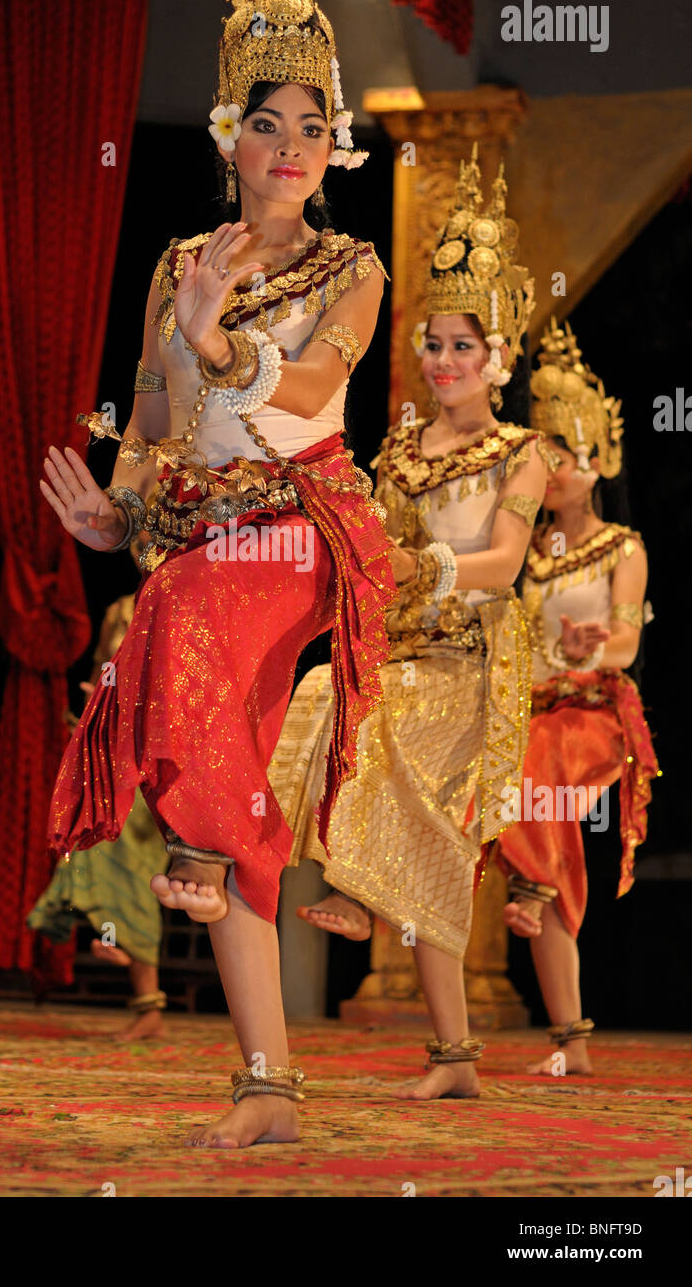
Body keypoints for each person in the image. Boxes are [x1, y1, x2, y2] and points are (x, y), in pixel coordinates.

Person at [39, 0, 396, 1148]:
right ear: (226, 138)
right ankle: (267, 1081)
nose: (290, 144)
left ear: (331, 142)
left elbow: (304, 398)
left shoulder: (354, 265)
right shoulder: (173, 266)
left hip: (306, 527)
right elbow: (144, 428)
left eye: (311, 122)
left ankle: (214, 837)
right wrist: (111, 509)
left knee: (180, 622)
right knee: (196, 695)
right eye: (266, 121)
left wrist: (231, 350)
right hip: (197, 537)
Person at [269, 147, 552, 1099]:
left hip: (471, 664)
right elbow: (374, 546)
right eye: (431, 345)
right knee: (324, 704)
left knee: (378, 732)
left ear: (499, 357)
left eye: (462, 347)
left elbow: (504, 566)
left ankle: (350, 885)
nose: (442, 363)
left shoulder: (523, 454)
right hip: (402, 649)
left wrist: (424, 565)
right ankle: (455, 1058)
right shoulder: (398, 445)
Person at [496, 319, 659, 1074]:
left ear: (599, 459)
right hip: (527, 717)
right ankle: (571, 1042)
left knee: (542, 767)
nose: (551, 467)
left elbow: (625, 646)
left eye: (564, 453)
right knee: (544, 822)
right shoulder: (518, 555)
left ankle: (529, 890)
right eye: (542, 452)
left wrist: (594, 646)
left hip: (591, 716)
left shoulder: (621, 547)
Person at [27, 559, 170, 1041]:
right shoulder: (120, 611)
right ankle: (114, 939)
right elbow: (100, 673)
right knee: (98, 840)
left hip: (161, 750)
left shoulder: (191, 604)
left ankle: (137, 971)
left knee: (137, 860)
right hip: (111, 747)